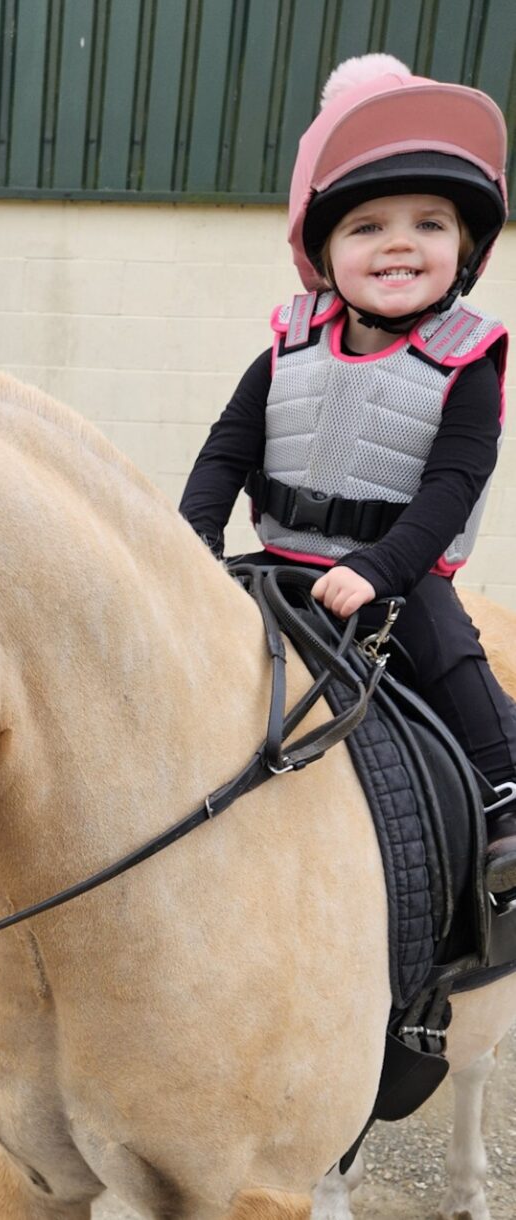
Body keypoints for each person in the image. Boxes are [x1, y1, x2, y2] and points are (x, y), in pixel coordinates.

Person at [178, 55, 516, 896]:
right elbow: (226, 451)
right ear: (324, 250)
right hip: (281, 565)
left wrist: (376, 569)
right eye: (367, 227)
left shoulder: (466, 362)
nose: (399, 242)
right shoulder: (287, 349)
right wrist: (188, 539)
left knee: (452, 657)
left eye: (430, 224)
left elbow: (453, 485)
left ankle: (508, 797)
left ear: (465, 250)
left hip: (396, 581)